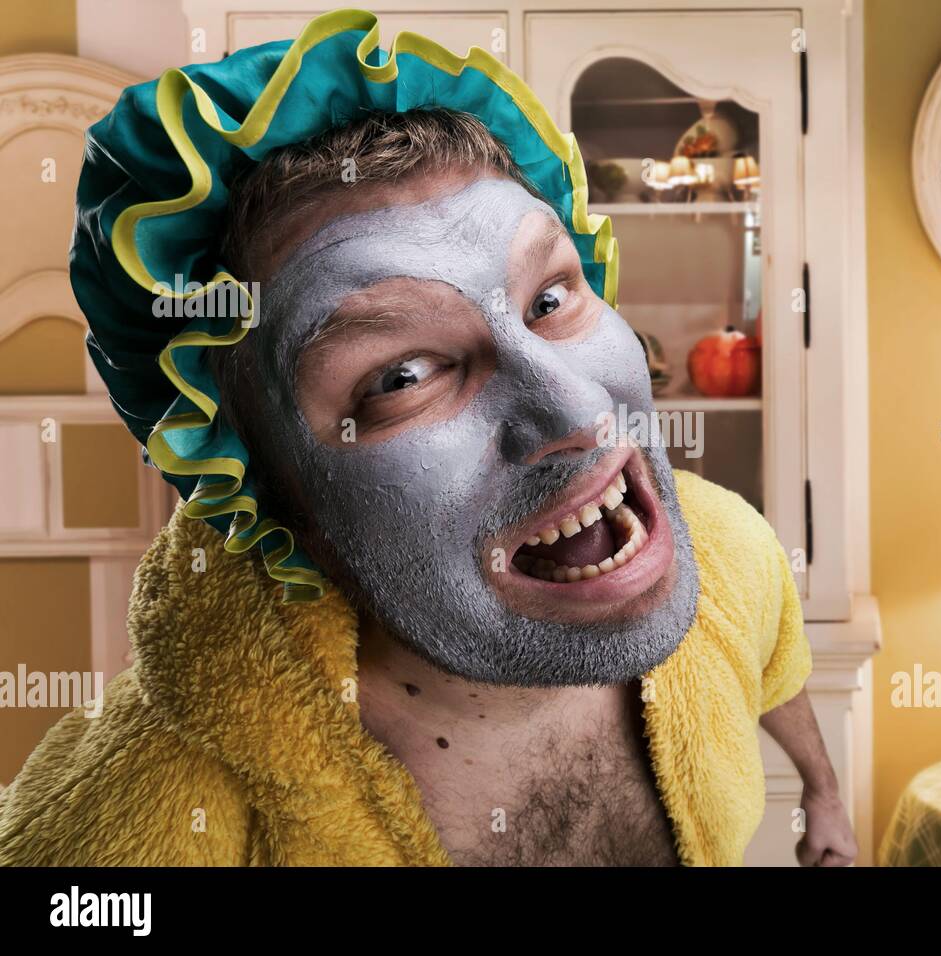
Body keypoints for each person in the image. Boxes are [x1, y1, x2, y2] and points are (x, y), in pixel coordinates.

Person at [0, 10, 856, 867]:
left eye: (551, 299)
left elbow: (774, 663)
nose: (581, 415)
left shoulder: (730, 545)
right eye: (401, 377)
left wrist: (823, 795)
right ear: (270, 490)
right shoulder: (129, 830)